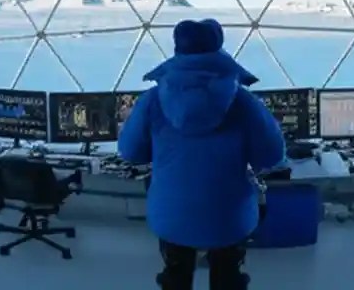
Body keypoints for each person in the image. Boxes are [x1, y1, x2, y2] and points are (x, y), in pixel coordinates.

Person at [118, 18, 286, 290]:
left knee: (176, 276)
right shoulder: (243, 102)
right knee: (227, 278)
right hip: (229, 216)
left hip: (171, 214)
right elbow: (271, 156)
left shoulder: (152, 100)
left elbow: (131, 152)